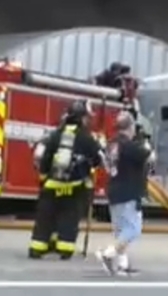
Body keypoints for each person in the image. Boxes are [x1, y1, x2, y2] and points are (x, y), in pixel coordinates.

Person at [29, 100, 103, 260]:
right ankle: (64, 248)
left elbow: (45, 158)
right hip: (74, 187)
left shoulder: (55, 134)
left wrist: (43, 179)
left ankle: (37, 248)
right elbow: (98, 160)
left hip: (51, 185)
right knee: (69, 218)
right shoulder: (86, 138)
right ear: (82, 118)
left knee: (45, 218)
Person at [98, 111, 152, 275]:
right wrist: (145, 143)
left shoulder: (112, 144)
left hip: (114, 189)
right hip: (128, 192)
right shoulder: (129, 146)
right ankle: (108, 254)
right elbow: (148, 155)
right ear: (131, 127)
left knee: (121, 231)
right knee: (133, 229)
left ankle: (122, 265)